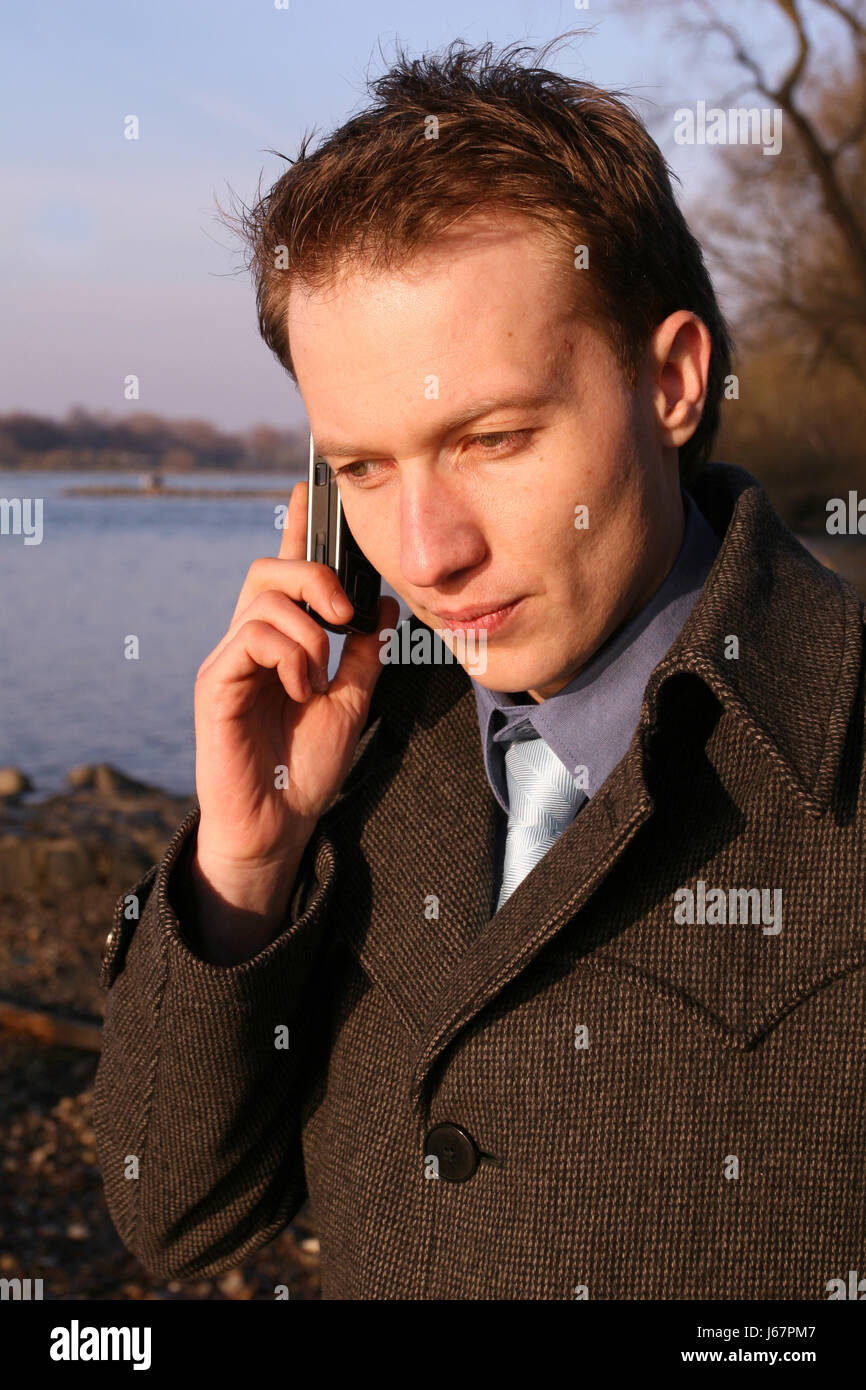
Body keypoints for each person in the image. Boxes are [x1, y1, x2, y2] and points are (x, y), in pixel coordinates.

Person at [93, 38, 866, 1300]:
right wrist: (245, 864)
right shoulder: (361, 737)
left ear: (670, 381)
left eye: (492, 438)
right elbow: (175, 1212)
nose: (426, 558)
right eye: (362, 467)